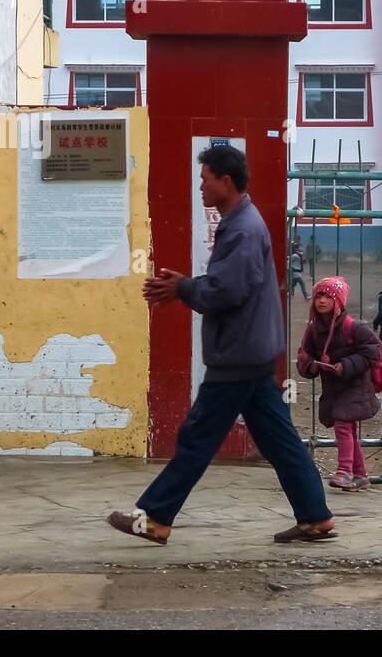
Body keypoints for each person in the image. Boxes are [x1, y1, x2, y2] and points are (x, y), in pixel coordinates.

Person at [108, 144, 336, 545]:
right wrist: (184, 286)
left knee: (197, 439)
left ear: (225, 182)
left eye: (205, 178)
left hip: (238, 356)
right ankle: (315, 517)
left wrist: (181, 287)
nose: (200, 185)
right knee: (280, 443)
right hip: (251, 354)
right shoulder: (241, 222)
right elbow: (227, 285)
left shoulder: (244, 228)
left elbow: (226, 290)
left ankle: (157, 518)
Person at [297, 276, 382, 491]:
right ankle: (360, 475)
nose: (322, 300)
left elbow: (372, 352)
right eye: (318, 296)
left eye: (328, 296)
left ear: (339, 301)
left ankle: (344, 472)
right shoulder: (313, 330)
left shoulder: (354, 327)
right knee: (349, 429)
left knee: (343, 426)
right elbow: (303, 356)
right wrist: (312, 365)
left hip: (355, 385)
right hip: (333, 387)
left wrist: (345, 365)